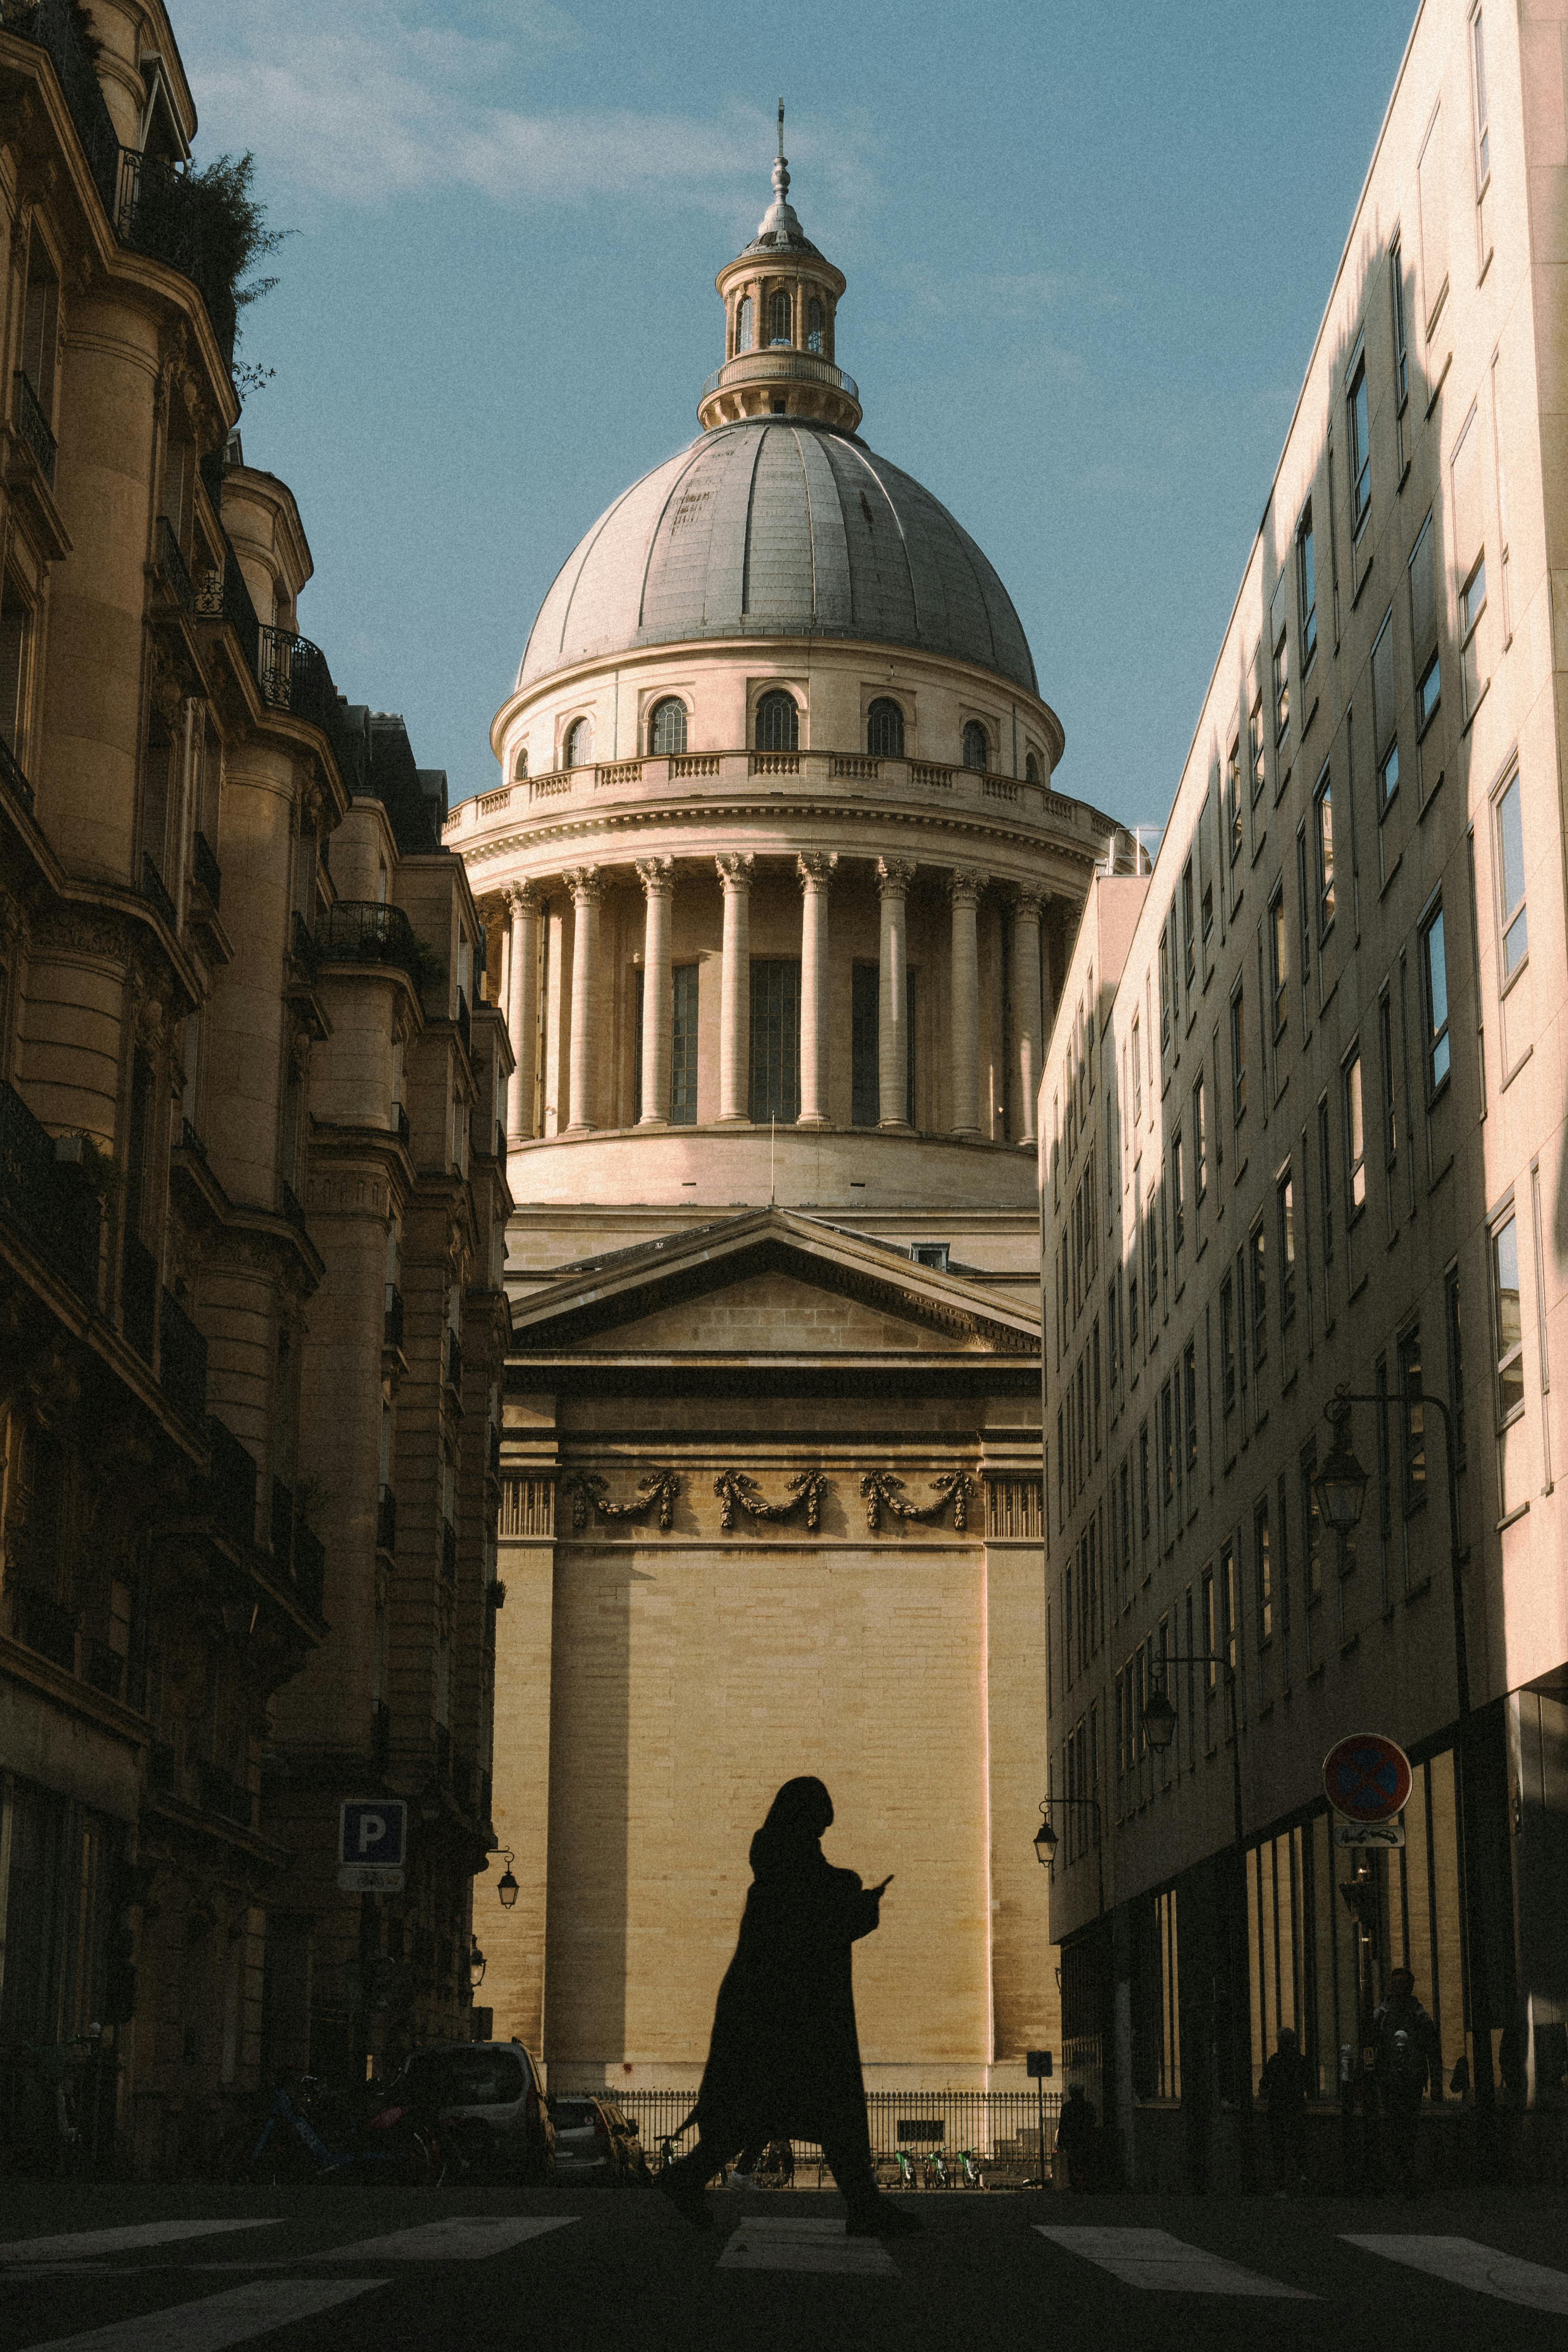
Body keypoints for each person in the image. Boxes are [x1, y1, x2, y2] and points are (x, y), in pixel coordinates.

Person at [656, 1776, 918, 2237]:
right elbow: (814, 1925)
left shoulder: (777, 1869)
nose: (820, 1834)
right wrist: (858, 1898)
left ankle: (690, 2176)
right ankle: (863, 2205)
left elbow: (815, 1916)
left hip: (770, 2012)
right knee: (828, 2108)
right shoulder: (790, 1873)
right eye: (817, 1825)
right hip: (794, 2017)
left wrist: (853, 1899)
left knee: (760, 2107)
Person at [1371, 1967, 1440, 2194]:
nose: (1399, 1989)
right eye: (1396, 1984)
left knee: (1406, 2125)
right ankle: (1403, 2170)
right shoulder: (1388, 2013)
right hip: (1394, 2077)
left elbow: (1430, 2042)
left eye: (1402, 1984)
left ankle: (1404, 2170)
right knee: (1398, 2124)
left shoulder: (1412, 2013)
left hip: (1408, 2077)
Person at [1258, 2025, 1310, 2193]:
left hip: (1278, 2107)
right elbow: (1309, 2083)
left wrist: (1264, 2094)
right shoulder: (1301, 2061)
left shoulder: (1275, 2061)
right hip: (1296, 2105)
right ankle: (1303, 2176)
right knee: (1299, 2143)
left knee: (1278, 2146)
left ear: (1280, 2043)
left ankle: (1281, 2186)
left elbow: (1264, 2083)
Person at [1054, 2083, 1095, 2192]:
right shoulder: (1088, 2106)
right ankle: (1083, 2183)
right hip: (1084, 2139)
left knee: (1073, 2163)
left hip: (1072, 2140)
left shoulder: (1067, 2108)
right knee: (1084, 2162)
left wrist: (1061, 2141)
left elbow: (1062, 2125)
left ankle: (1076, 2183)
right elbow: (1093, 2121)